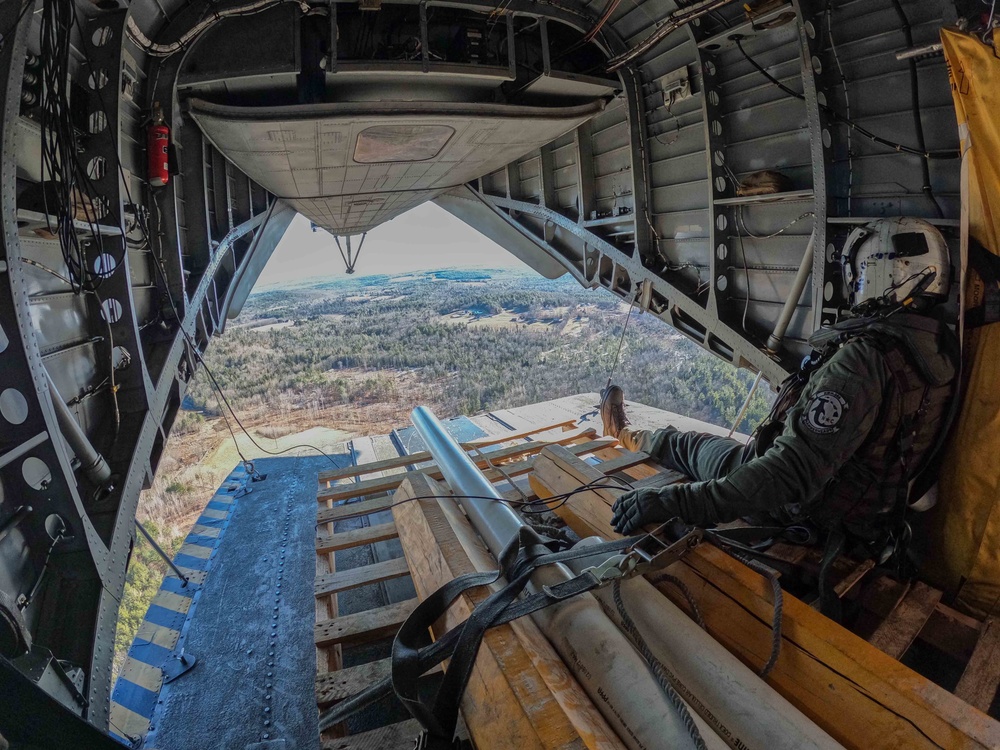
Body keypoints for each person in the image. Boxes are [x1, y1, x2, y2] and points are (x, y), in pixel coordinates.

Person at [604, 217, 959, 572]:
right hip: (862, 518)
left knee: (688, 446)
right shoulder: (936, 349)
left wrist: (673, 501)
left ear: (880, 273)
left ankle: (623, 434)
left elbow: (787, 474)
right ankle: (629, 434)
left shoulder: (865, 360)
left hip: (798, 509)